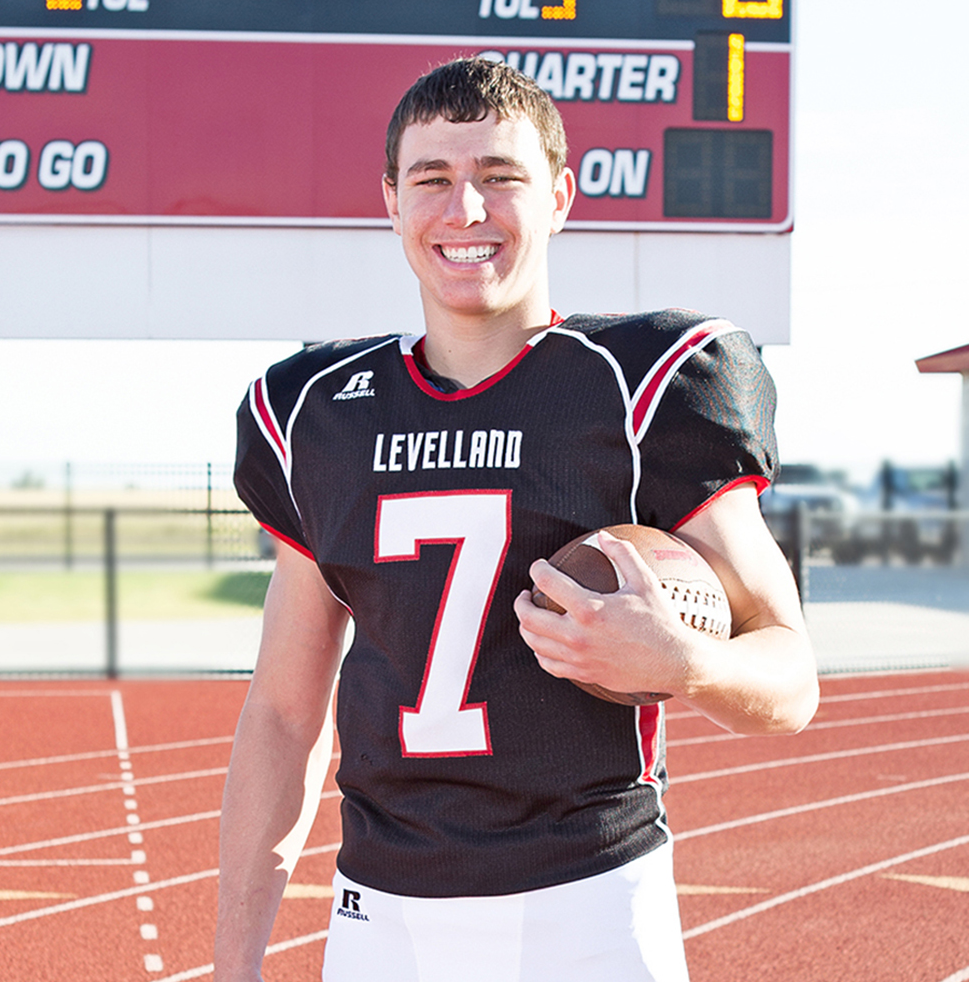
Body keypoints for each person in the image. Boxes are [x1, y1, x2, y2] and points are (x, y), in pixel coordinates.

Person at [215, 57, 819, 982]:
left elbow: (791, 676)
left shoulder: (644, 385)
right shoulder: (321, 411)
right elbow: (286, 715)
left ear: (560, 196)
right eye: (432, 180)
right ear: (390, 199)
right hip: (383, 919)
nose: (465, 211)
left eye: (500, 177)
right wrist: (236, 966)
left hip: (592, 905)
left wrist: (686, 663)